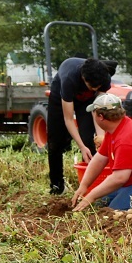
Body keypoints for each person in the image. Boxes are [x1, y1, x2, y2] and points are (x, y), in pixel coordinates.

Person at [46, 57, 116, 195]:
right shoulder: (69, 79)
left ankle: (93, 187)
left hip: (86, 102)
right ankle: (56, 185)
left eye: (97, 88)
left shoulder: (103, 78)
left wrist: (101, 137)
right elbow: (68, 119)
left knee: (89, 141)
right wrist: (81, 147)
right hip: (59, 99)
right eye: (92, 87)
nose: (95, 89)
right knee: (55, 142)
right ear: (84, 78)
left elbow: (98, 109)